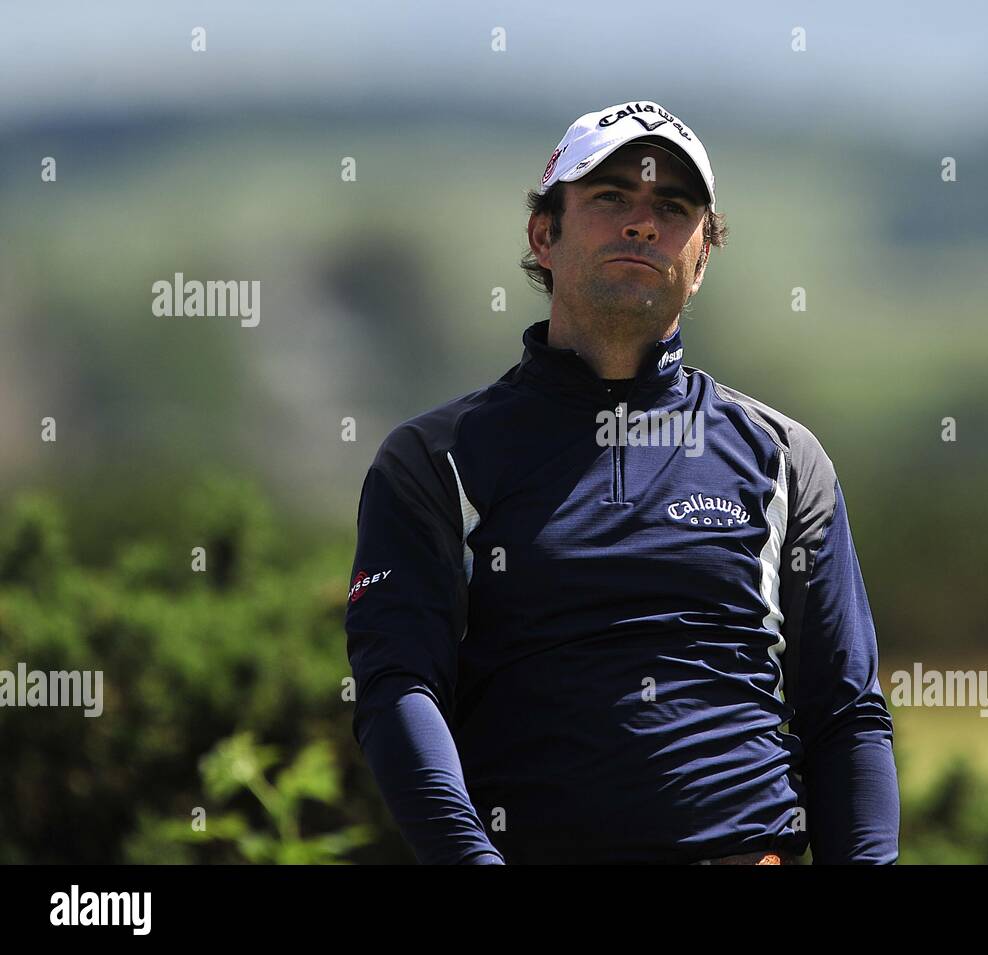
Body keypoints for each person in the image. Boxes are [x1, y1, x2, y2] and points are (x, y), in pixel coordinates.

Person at [344, 100, 900, 864]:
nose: (643, 224)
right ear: (545, 235)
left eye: (671, 209)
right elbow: (398, 690)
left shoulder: (783, 458)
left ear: (700, 260)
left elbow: (846, 714)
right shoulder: (433, 460)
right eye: (611, 198)